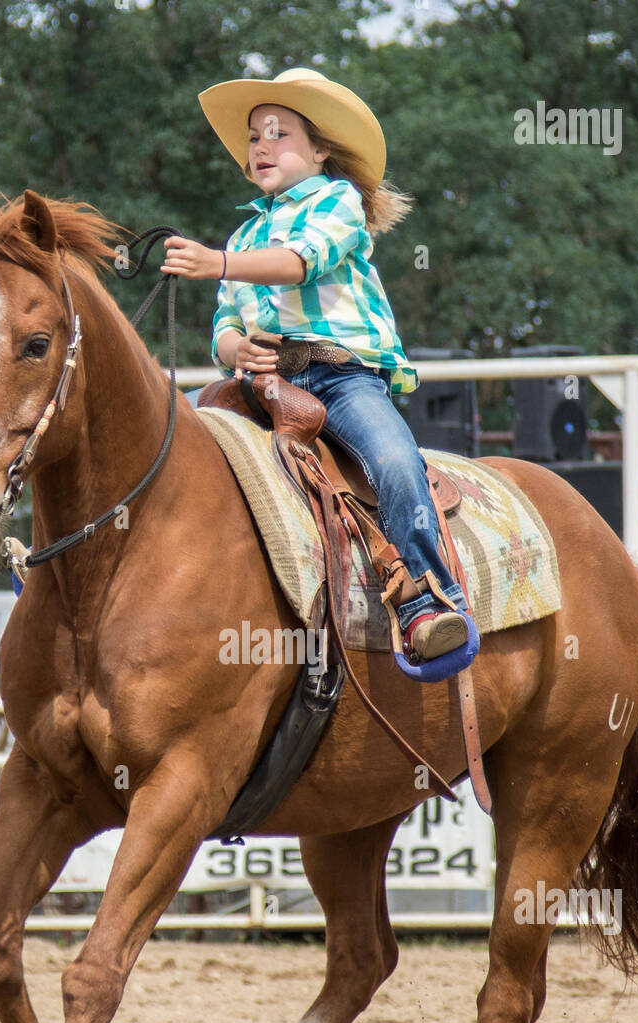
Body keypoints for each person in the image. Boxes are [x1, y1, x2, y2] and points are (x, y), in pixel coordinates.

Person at [160, 67, 475, 671]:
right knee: (170, 438)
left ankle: (426, 602)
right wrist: (236, 352)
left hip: (340, 378)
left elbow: (301, 263)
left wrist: (217, 262)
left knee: (392, 459)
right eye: (254, 137)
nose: (261, 146)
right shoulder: (246, 231)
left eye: (278, 133)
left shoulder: (338, 201)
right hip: (260, 383)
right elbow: (224, 326)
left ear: (321, 149)